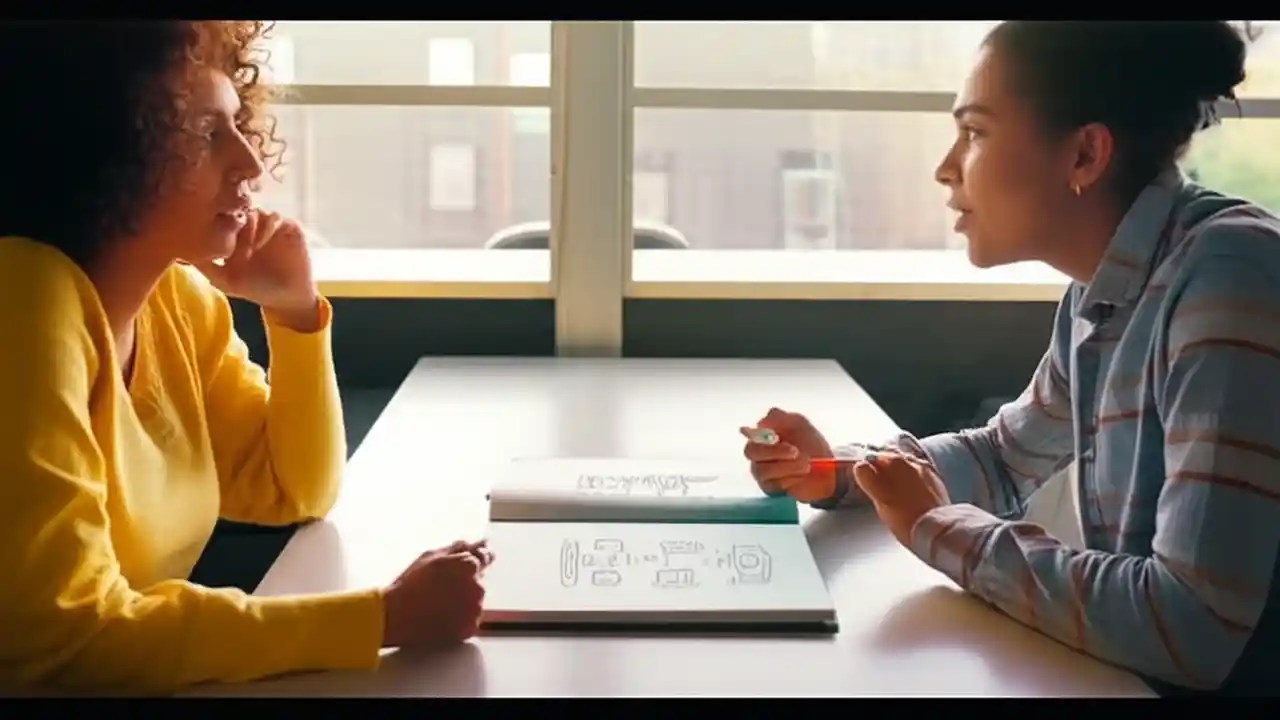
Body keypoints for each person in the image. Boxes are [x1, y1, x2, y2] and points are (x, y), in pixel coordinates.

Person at [743, 21, 1280, 697]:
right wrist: (840, 472)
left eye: (975, 132)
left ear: (1085, 156)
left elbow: (1191, 628)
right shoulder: (1105, 286)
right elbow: (1003, 457)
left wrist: (940, 529)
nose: (945, 166)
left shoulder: (1229, 281)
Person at [0, 21, 494, 696]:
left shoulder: (176, 300)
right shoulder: (24, 299)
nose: (250, 164)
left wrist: (293, 315)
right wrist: (381, 617)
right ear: (110, 145)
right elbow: (69, 637)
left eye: (239, 124)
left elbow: (292, 487)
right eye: (207, 134)